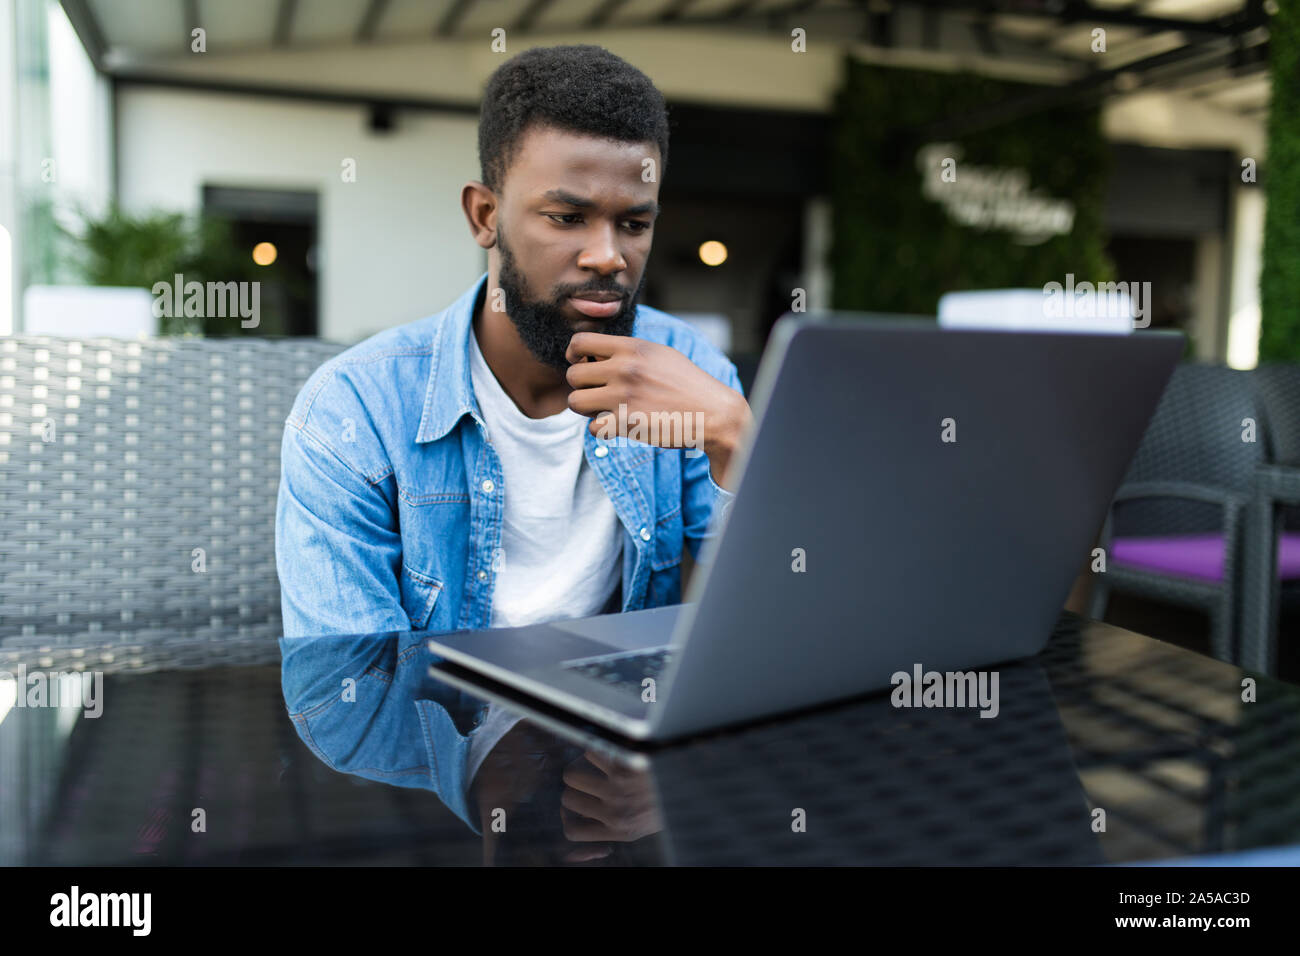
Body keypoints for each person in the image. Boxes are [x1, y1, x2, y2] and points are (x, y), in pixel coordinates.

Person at [275, 44, 751, 638]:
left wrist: (736, 437)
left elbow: (782, 625)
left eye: (634, 224)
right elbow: (360, 696)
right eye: (565, 217)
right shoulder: (356, 412)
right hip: (440, 731)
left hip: (622, 726)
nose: (608, 256)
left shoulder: (692, 370)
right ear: (484, 216)